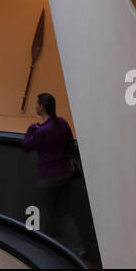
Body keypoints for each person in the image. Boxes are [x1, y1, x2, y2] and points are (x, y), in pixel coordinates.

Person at [23, 93, 86, 258]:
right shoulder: (63, 124)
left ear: (42, 107)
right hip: (65, 174)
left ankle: (45, 247)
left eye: (37, 104)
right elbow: (70, 145)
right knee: (64, 212)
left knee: (47, 213)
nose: (35, 106)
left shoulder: (41, 131)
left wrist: (30, 129)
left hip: (48, 178)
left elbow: (27, 146)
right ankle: (78, 247)